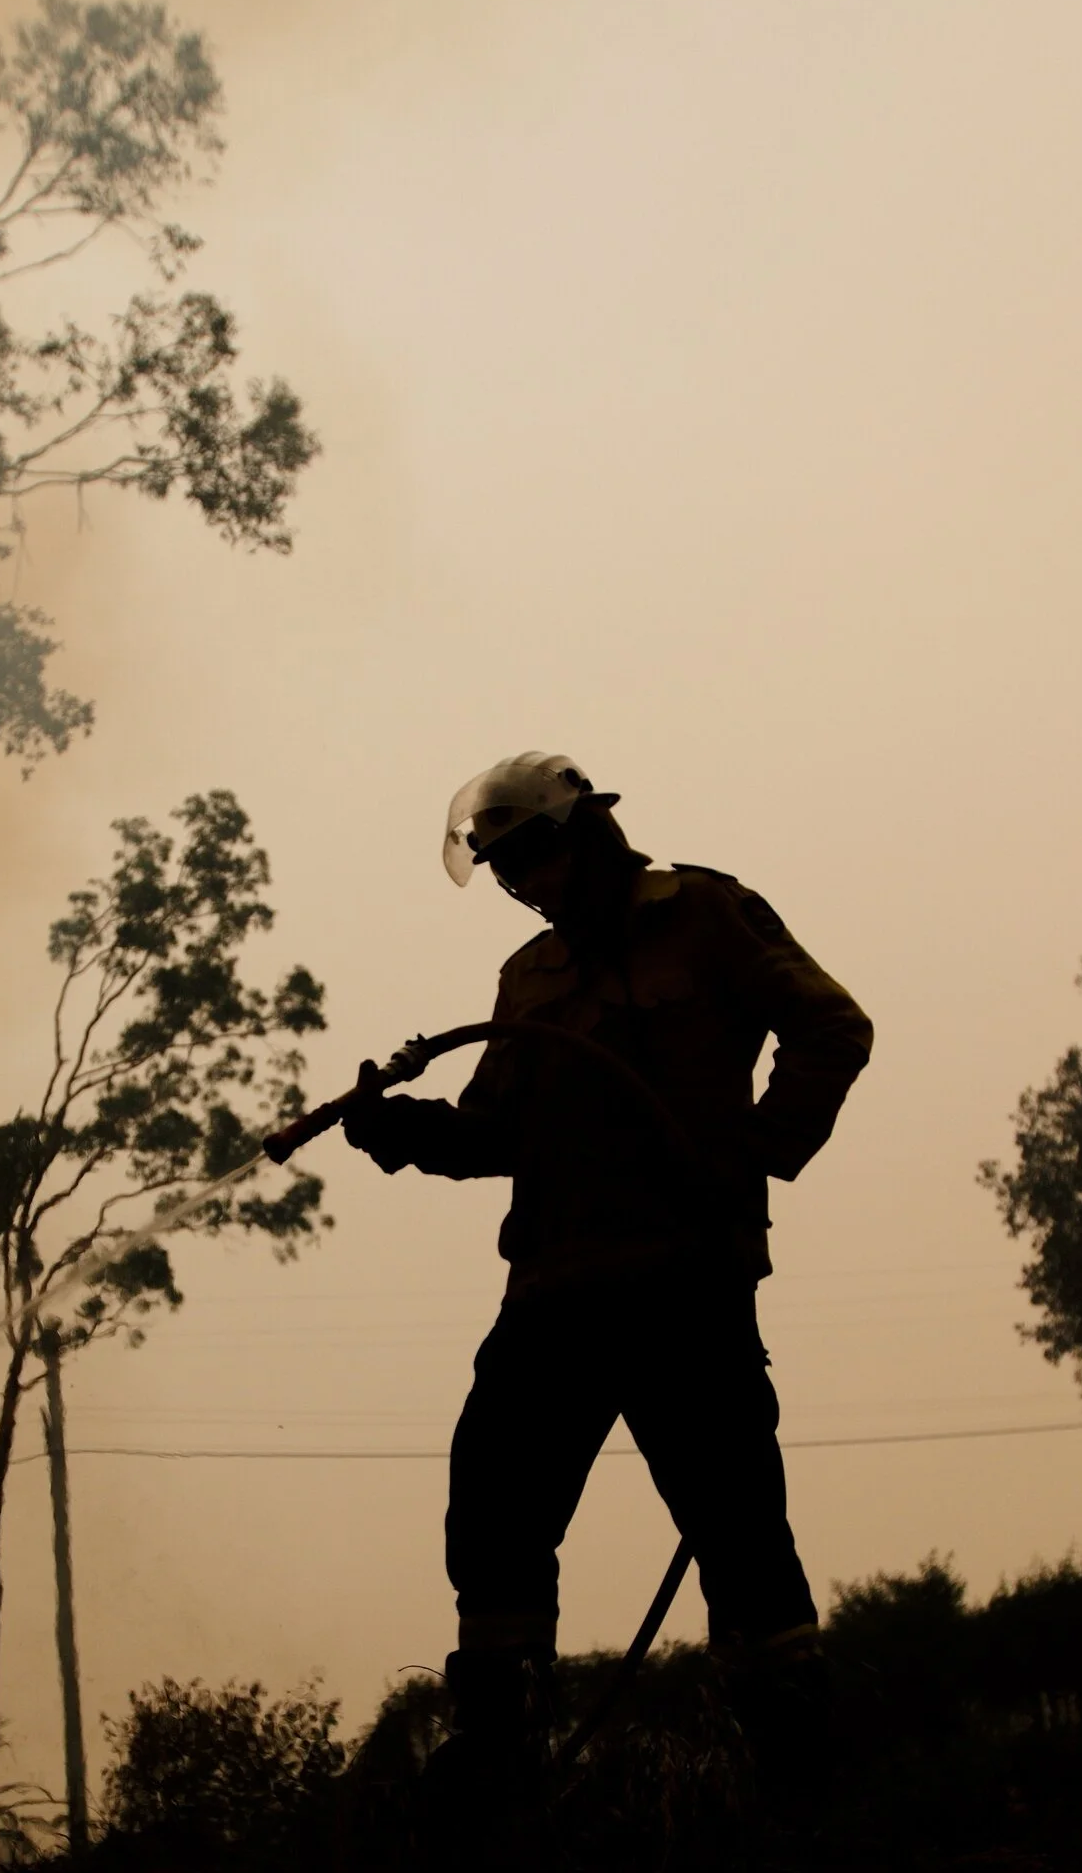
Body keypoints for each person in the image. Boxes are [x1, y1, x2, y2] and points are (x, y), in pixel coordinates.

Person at [341, 752, 874, 1798]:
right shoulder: (528, 976)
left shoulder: (707, 915)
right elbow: (496, 1131)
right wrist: (399, 1133)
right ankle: (500, 1744)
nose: (518, 884)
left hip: (685, 1284)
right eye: (500, 871)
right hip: (553, 1292)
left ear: (583, 833)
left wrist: (763, 1144)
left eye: (528, 857)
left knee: (735, 1524)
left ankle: (797, 1767)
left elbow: (831, 1025)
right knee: (492, 1505)